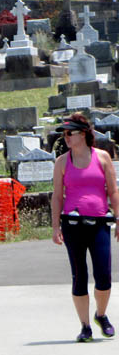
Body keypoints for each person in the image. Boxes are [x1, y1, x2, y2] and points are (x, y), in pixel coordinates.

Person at [51, 113, 119, 342]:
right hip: (72, 225)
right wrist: (55, 226)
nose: (67, 137)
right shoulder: (62, 162)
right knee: (79, 276)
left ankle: (101, 314)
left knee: (103, 276)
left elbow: (113, 191)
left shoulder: (102, 157)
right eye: (65, 134)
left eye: (71, 133)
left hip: (99, 223)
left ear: (84, 134)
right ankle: (85, 326)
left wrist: (118, 218)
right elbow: (57, 197)